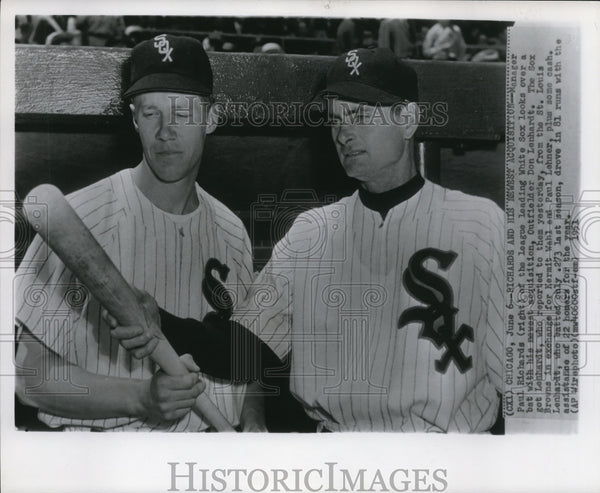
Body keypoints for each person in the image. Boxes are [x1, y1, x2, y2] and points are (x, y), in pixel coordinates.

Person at [109, 47, 505, 433]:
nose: (344, 133)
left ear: (407, 119)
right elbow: (243, 353)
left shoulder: (480, 222)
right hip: (336, 455)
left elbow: (528, 379)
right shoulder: (311, 233)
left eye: (361, 115)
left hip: (449, 460)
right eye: (335, 119)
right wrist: (158, 318)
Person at [14, 34, 264, 432]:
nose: (165, 131)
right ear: (134, 119)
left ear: (211, 118)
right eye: (151, 113)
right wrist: (140, 398)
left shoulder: (232, 231)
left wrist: (253, 419)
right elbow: (29, 377)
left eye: (182, 112)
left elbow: (247, 358)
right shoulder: (82, 215)